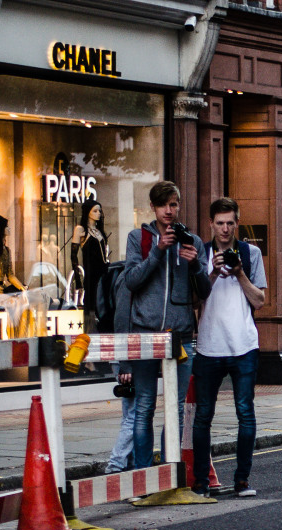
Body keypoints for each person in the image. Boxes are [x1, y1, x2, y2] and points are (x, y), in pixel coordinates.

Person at [120, 180, 211, 470]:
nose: (168, 211)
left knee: (175, 411)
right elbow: (132, 280)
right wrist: (158, 251)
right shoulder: (139, 238)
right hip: (146, 334)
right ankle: (143, 475)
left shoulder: (192, 241)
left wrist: (196, 264)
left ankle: (168, 472)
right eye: (163, 205)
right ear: (152, 207)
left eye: (173, 204)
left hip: (181, 337)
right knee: (144, 407)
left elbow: (205, 291)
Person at [190, 198, 266, 497]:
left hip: (244, 346)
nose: (225, 228)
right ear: (211, 224)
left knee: (245, 413)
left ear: (237, 222)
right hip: (209, 347)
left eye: (230, 222)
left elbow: (259, 300)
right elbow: (195, 301)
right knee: (202, 416)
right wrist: (211, 272)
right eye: (219, 223)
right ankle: (201, 481)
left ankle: (242, 480)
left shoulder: (250, 254)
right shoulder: (201, 255)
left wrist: (239, 274)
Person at [71, 199, 109, 327]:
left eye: (99, 210)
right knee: (91, 306)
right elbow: (73, 256)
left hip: (103, 274)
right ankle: (90, 332)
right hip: (91, 275)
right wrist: (78, 279)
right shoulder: (81, 230)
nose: (98, 213)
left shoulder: (99, 231)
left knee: (104, 304)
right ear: (88, 212)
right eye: (95, 211)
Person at [0, 215, 25, 295]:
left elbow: (10, 275)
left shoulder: (6, 250)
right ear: (0, 229)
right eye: (6, 226)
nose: (9, 228)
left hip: (3, 289)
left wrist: (22, 287)